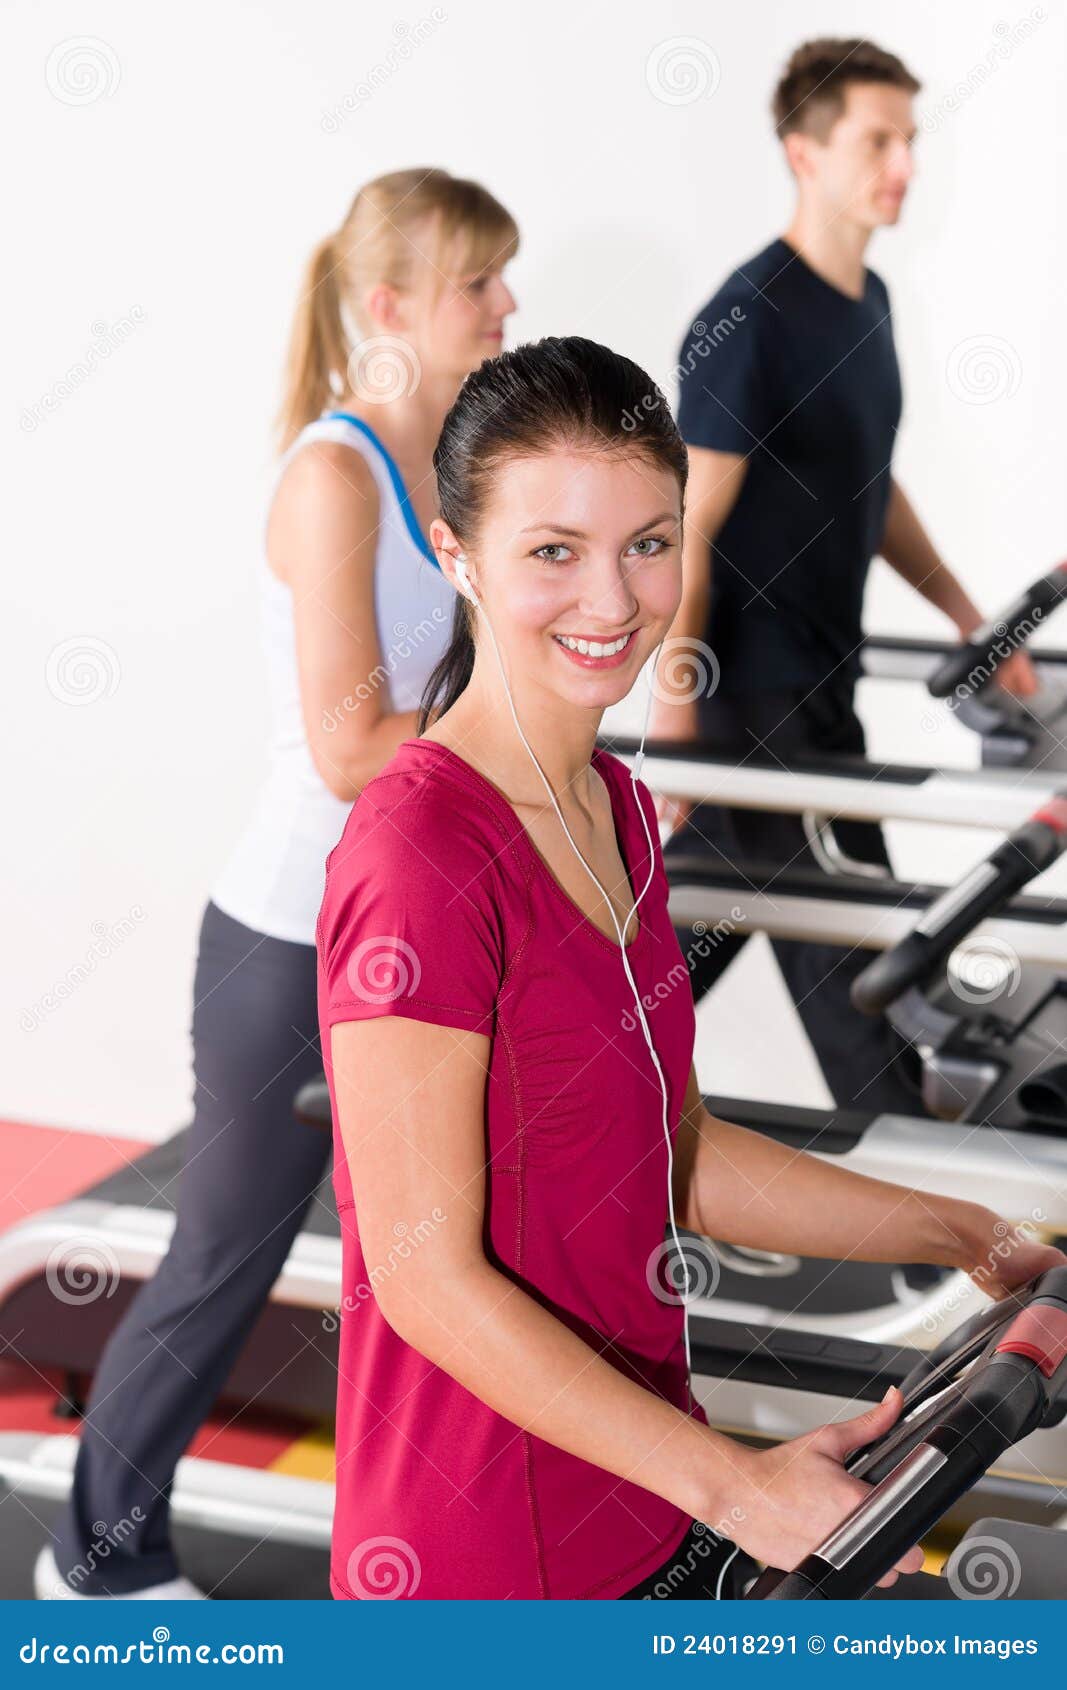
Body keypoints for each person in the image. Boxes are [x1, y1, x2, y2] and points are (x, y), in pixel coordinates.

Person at [316, 335, 1062, 1600]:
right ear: (457, 554)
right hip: (479, 1564)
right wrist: (734, 1482)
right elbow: (422, 1274)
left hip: (639, 1506)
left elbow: (682, 1151)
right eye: (552, 550)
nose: (611, 602)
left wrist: (968, 1236)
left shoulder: (613, 806)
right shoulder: (418, 853)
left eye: (646, 543)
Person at [36, 168, 517, 1600]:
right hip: (291, 942)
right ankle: (97, 1558)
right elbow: (352, 739)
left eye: (506, 277)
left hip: (414, 935)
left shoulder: (453, 462)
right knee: (224, 1260)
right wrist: (530, 744)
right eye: (477, 283)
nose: (506, 306)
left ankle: (469, 1539)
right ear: (388, 308)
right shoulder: (334, 472)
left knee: (456, 1252)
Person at [652, 38, 1038, 1115]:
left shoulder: (863, 301)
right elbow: (685, 528)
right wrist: (674, 724)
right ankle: (951, 1260)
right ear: (802, 152)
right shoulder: (749, 322)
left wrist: (973, 620)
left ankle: (535, 1114)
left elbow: (866, 486)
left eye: (908, 139)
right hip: (751, 713)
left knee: (682, 965)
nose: (902, 163)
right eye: (876, 139)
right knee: (861, 994)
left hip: (821, 697)